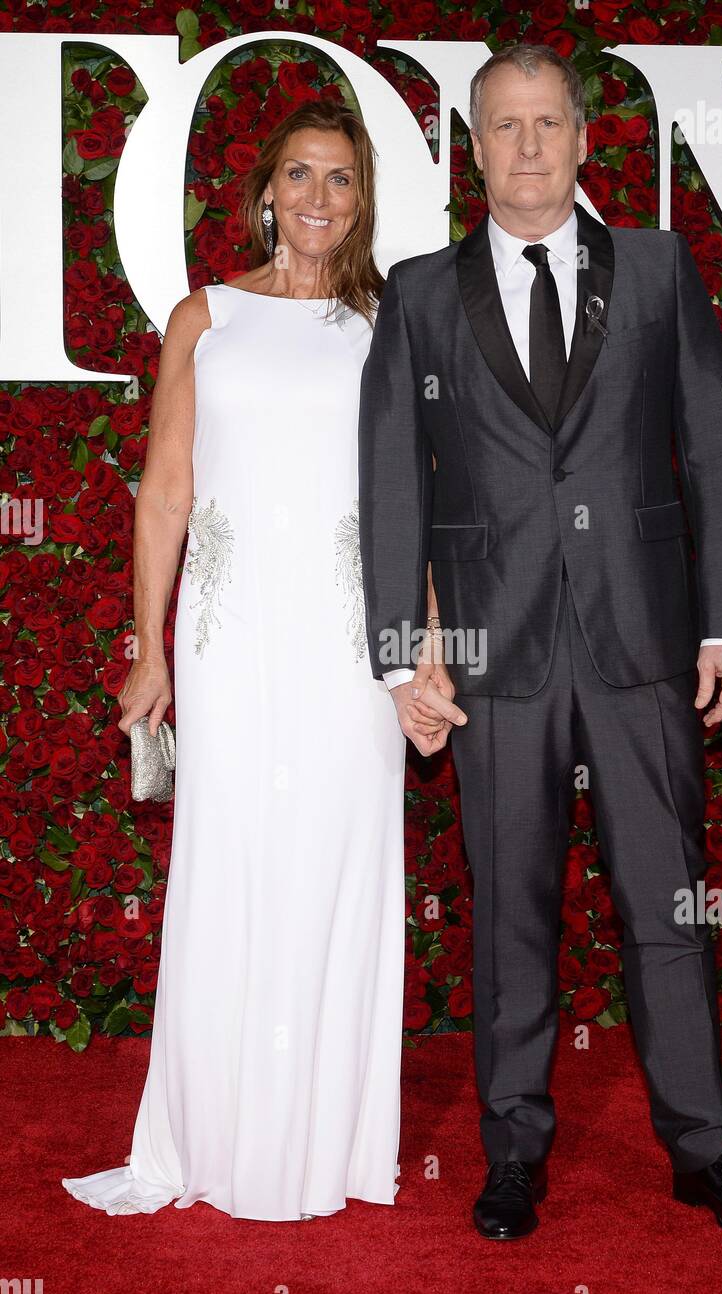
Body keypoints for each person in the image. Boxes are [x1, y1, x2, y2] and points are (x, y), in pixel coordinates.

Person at [358, 44, 722, 1242]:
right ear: (475, 149)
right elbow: (393, 482)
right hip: (494, 659)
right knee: (508, 915)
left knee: (670, 910)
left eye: (548, 122)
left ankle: (704, 1150)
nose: (530, 146)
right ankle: (511, 1155)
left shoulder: (655, 272)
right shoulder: (419, 293)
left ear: (584, 140)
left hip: (643, 640)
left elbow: (710, 449)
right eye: (505, 126)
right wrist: (404, 655)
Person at [61, 99, 449, 1221]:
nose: (317, 198)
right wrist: (150, 651)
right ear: (265, 191)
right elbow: (166, 491)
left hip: (344, 637)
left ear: (360, 197)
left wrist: (420, 651)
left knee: (337, 864)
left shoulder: (393, 324)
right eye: (298, 175)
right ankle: (214, 1135)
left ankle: (322, 1147)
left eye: (339, 178)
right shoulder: (205, 316)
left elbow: (411, 503)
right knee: (228, 865)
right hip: (228, 633)